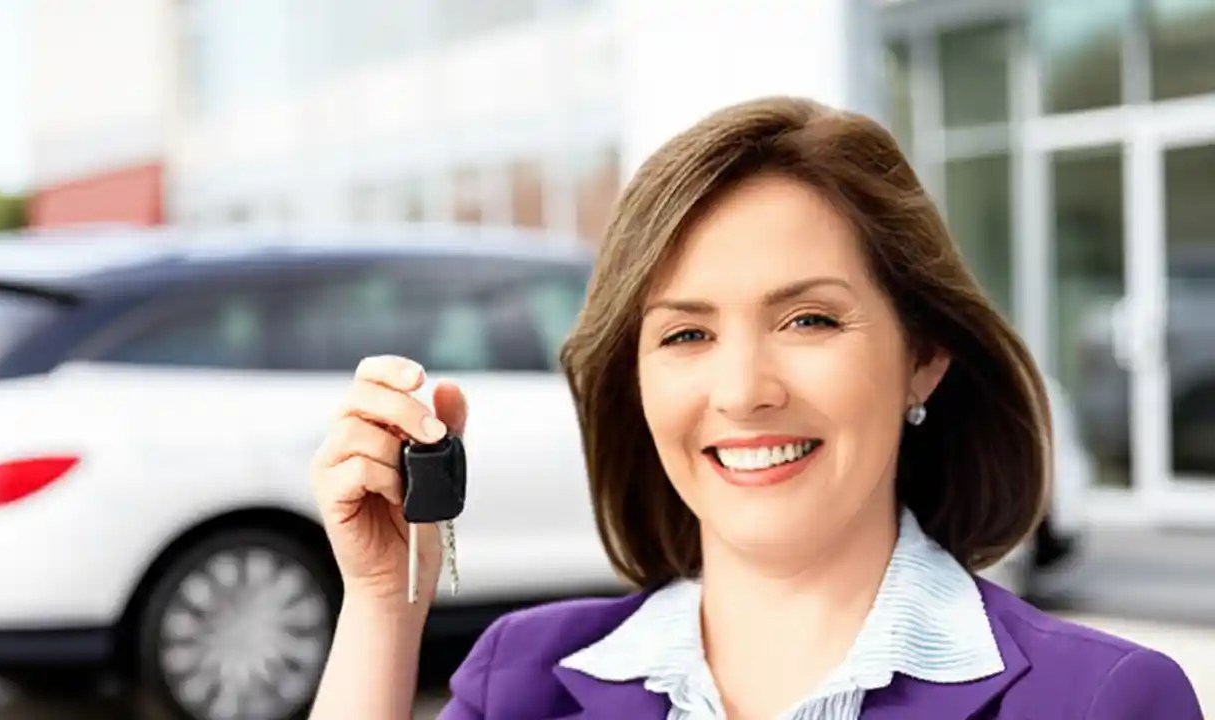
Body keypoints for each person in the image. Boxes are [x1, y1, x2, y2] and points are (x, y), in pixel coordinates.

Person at [306, 97, 1204, 720]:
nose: (743, 391)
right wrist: (385, 608)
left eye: (808, 319)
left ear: (924, 357)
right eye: (686, 335)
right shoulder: (524, 682)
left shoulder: (1102, 704)